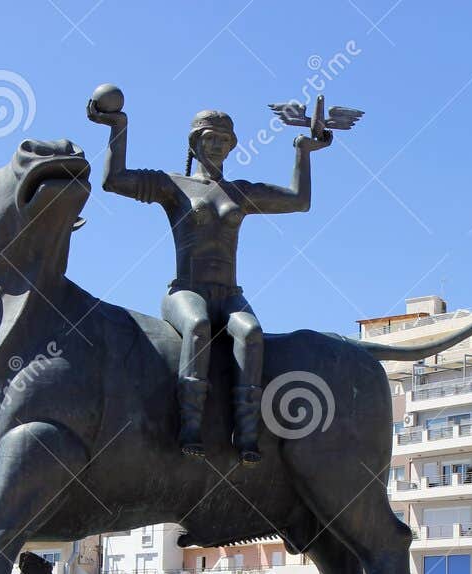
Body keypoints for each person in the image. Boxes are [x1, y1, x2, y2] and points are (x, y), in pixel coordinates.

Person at [87, 90, 331, 463]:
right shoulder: (173, 186)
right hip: (186, 291)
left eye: (224, 140)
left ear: (232, 147)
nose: (217, 145)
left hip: (229, 294)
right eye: (210, 138)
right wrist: (118, 127)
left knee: (250, 332)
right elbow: (114, 180)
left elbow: (299, 201)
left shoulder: (241, 192)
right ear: (195, 143)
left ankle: (247, 431)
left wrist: (302, 150)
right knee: (198, 325)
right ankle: (190, 425)